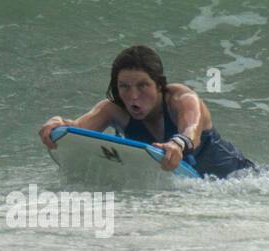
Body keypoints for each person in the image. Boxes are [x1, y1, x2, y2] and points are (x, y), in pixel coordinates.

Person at [38, 44, 257, 179]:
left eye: (142, 86)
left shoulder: (182, 98)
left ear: (159, 85)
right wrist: (56, 125)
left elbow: (192, 129)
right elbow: (76, 129)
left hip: (236, 178)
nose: (133, 96)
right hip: (190, 189)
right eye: (124, 87)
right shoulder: (113, 109)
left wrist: (177, 144)